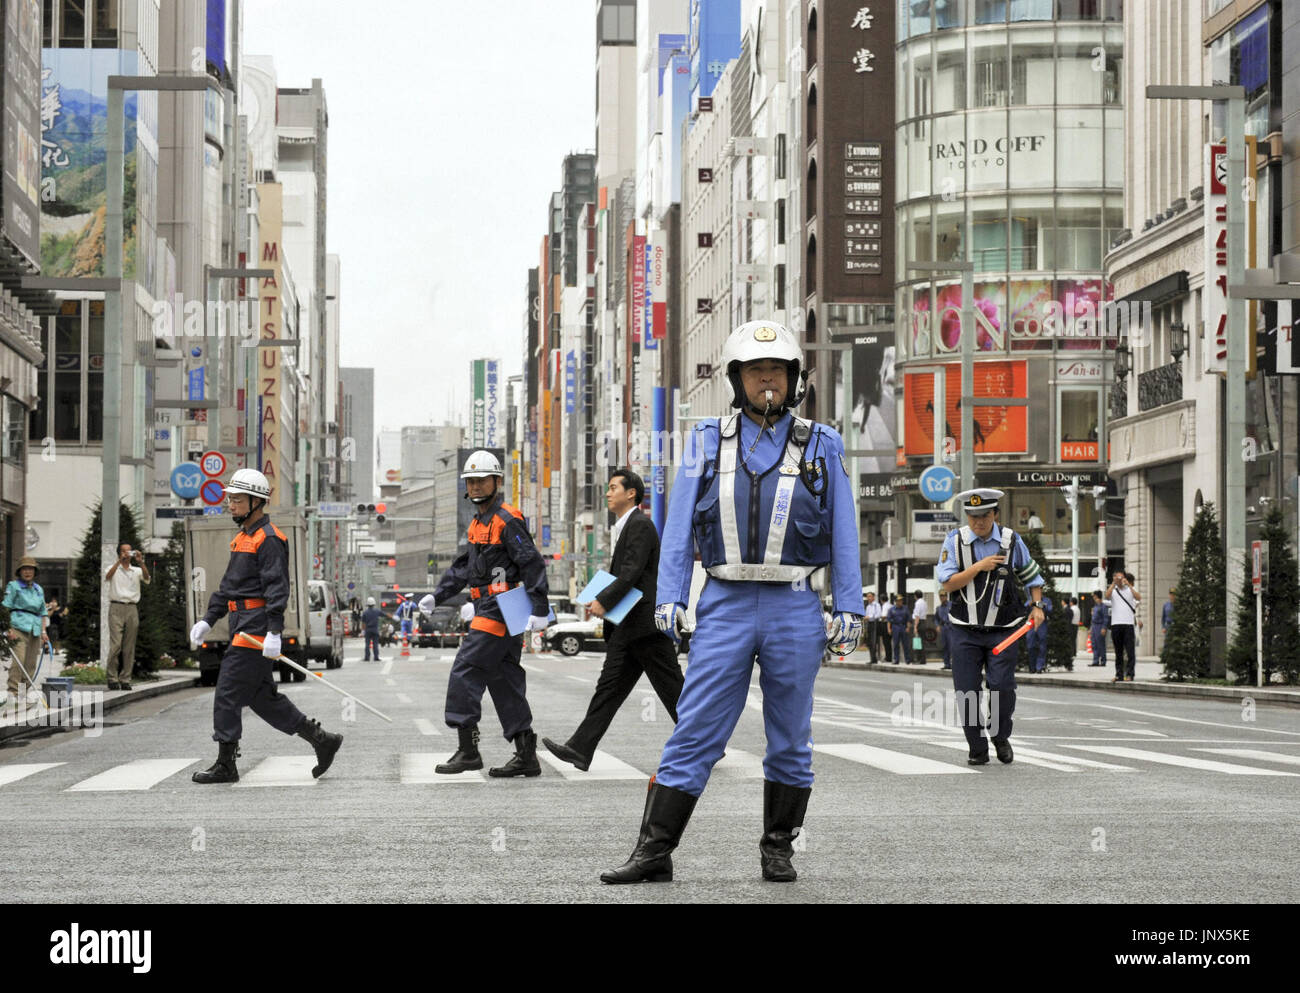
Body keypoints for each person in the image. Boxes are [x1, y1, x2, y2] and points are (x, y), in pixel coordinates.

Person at [601, 319, 862, 885]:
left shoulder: (824, 443)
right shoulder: (703, 440)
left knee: (790, 735)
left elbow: (844, 529)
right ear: (736, 379)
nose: (765, 380)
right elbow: (674, 533)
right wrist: (668, 597)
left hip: (795, 603)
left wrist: (850, 605)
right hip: (724, 601)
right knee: (695, 728)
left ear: (794, 379)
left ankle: (778, 848)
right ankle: (654, 851)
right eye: (754, 371)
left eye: (776, 371)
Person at [187, 469, 343, 784]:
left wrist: (274, 631)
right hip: (240, 624)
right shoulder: (244, 537)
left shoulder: (269, 539)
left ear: (256, 501)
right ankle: (322, 740)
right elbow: (229, 586)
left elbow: (277, 588)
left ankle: (226, 764)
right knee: (262, 698)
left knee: (227, 692)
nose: (230, 503)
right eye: (229, 498)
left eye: (237, 498)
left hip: (255, 630)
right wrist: (209, 618)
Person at [418, 450, 551, 777]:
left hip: (504, 605)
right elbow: (466, 567)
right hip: (495, 605)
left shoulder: (507, 520)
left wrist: (541, 608)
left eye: (481, 480)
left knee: (466, 668)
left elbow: (530, 561)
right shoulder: (479, 523)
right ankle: (526, 753)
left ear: (497, 481)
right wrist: (438, 597)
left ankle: (468, 749)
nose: (475, 486)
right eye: (471, 481)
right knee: (503, 678)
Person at [544, 469, 684, 771]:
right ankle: (580, 749)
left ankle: (705, 742)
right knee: (609, 690)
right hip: (630, 626)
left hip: (643, 626)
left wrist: (604, 600)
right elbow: (628, 572)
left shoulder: (640, 525)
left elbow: (631, 572)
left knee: (672, 690)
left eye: (613, 488)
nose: (608, 493)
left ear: (631, 493)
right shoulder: (627, 526)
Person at [937, 488, 1045, 765]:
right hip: (964, 629)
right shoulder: (955, 541)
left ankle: (999, 735)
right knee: (967, 691)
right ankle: (977, 748)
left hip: (1004, 629)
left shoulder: (1010, 540)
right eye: (973, 517)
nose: (978, 523)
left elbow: (1032, 574)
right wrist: (979, 566)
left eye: (984, 516)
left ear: (995, 514)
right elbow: (947, 583)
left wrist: (1038, 606)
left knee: (1002, 686)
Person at [2, 557, 49, 709]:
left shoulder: (38, 589)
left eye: (31, 569)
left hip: (35, 630)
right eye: (25, 569)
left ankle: (22, 696)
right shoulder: (14, 586)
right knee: (19, 661)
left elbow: (43, 612)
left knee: (30, 665)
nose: (28, 572)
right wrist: (7, 628)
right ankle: (13, 694)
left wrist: (43, 631)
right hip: (17, 627)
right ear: (20, 571)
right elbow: (5, 607)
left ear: (35, 572)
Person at [104, 541, 150, 691]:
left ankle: (125, 679)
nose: (127, 554)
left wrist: (141, 562)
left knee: (129, 646)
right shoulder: (113, 568)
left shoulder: (135, 570)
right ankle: (112, 678)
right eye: (124, 551)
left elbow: (147, 578)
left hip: (132, 608)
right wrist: (119, 561)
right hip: (116, 607)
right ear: (119, 553)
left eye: (129, 551)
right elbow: (108, 576)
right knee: (115, 645)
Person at [1106, 570, 1140, 681]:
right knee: (1118, 652)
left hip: (1128, 624)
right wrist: (1113, 584)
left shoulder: (1130, 590)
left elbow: (1138, 597)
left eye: (1120, 577)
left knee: (1130, 651)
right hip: (1116, 624)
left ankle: (1130, 674)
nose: (1119, 579)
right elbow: (1107, 596)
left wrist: (1129, 585)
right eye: (1116, 577)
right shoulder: (1113, 591)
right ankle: (1119, 674)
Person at [1025, 595, 1052, 672]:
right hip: (1031, 624)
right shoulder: (1030, 598)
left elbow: (1049, 609)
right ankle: (1032, 667)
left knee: (1042, 647)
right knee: (1030, 646)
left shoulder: (1047, 600)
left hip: (1042, 624)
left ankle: (1039, 667)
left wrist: (1035, 604)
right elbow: (1025, 606)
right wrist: (1037, 604)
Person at [888, 594, 911, 664]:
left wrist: (908, 627)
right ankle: (896, 659)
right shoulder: (891, 609)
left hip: (903, 626)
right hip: (895, 627)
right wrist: (889, 628)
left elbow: (908, 619)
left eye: (901, 600)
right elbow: (889, 620)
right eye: (899, 600)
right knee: (895, 644)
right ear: (896, 601)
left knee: (905, 644)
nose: (900, 602)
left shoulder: (905, 608)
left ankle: (907, 659)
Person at [1088, 590, 1109, 667]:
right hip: (1094, 626)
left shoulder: (1103, 606)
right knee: (1094, 644)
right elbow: (1092, 618)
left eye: (1094, 596)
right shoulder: (1095, 606)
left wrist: (1104, 628)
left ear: (1097, 596)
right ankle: (1095, 660)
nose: (1093, 597)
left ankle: (1103, 661)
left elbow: (1105, 618)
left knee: (1101, 644)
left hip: (1100, 626)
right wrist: (1091, 628)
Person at [361, 596, 384, 661]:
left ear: (367, 604)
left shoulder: (365, 612)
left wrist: (363, 631)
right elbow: (384, 615)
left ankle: (367, 657)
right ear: (374, 604)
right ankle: (376, 657)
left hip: (368, 630)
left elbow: (363, 623)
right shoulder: (377, 611)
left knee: (367, 644)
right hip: (375, 630)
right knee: (375, 644)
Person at [863, 591, 883, 664]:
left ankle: (875, 658)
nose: (868, 598)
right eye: (867, 597)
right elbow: (866, 615)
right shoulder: (868, 606)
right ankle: (872, 658)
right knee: (870, 642)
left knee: (874, 641)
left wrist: (870, 617)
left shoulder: (876, 605)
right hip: (869, 623)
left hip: (875, 623)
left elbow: (878, 615)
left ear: (873, 597)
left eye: (870, 596)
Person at [935, 591, 953, 669]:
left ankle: (954, 664)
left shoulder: (951, 605)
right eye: (941, 596)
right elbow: (936, 618)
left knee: (951, 646)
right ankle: (946, 664)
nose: (942, 598)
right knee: (944, 646)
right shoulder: (939, 608)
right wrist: (937, 625)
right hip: (943, 628)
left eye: (944, 596)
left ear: (947, 596)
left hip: (951, 628)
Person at [911, 591, 928, 664]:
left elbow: (917, 615)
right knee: (922, 642)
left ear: (915, 596)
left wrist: (915, 627)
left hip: (919, 623)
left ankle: (919, 659)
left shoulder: (918, 603)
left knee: (917, 642)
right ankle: (923, 659)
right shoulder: (924, 602)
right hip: (923, 622)